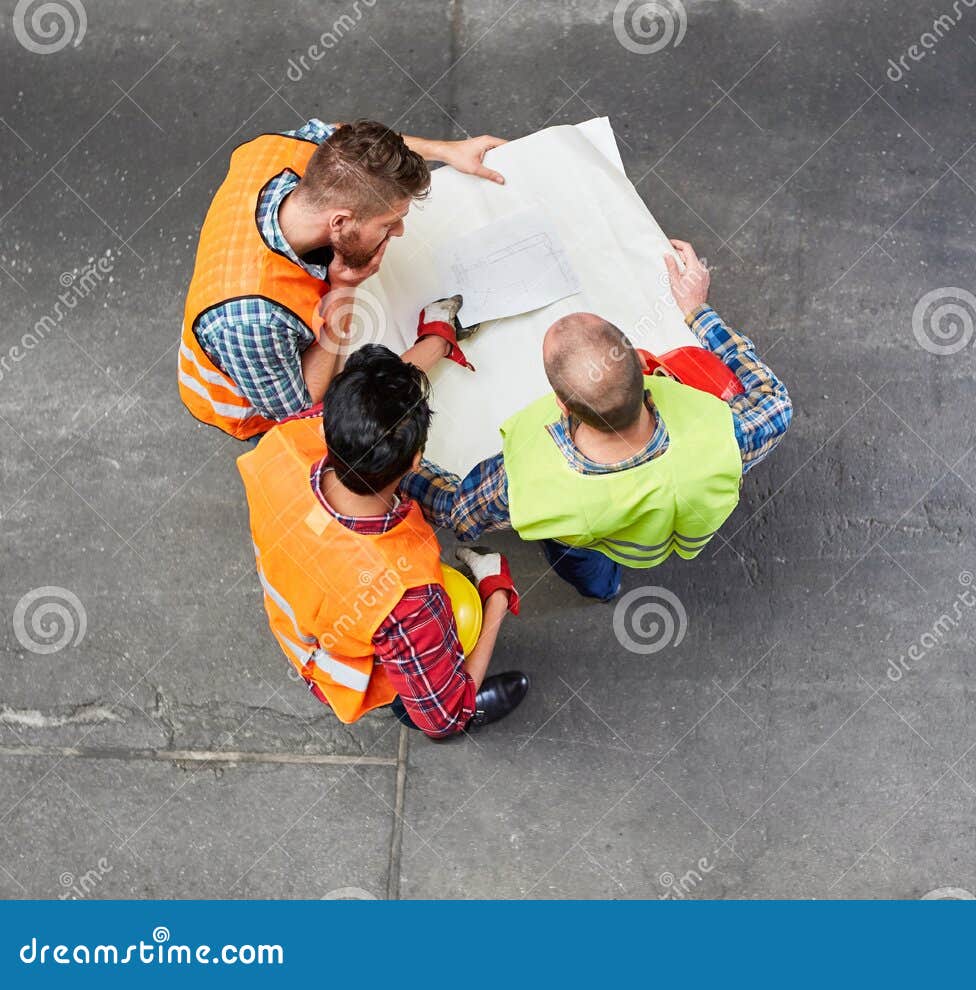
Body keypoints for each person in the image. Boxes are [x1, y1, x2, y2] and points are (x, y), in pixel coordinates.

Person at [403, 239, 792, 600]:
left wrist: (393, 455)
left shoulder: (521, 480)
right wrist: (696, 310)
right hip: (678, 531)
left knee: (587, 568)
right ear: (644, 364)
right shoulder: (729, 434)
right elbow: (774, 401)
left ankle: (605, 589)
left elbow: (456, 510)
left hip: (586, 539)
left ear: (562, 404)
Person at [238, 345, 529, 738]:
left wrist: (433, 345)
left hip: (300, 614)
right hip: (347, 671)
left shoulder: (284, 442)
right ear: (415, 462)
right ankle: (440, 701)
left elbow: (354, 408)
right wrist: (495, 594)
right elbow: (442, 719)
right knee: (437, 708)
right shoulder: (407, 601)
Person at [180, 118, 500, 439]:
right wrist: (344, 290)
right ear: (340, 222)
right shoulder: (251, 320)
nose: (399, 232)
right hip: (247, 400)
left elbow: (348, 142)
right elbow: (302, 409)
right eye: (389, 224)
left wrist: (445, 151)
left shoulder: (276, 152)